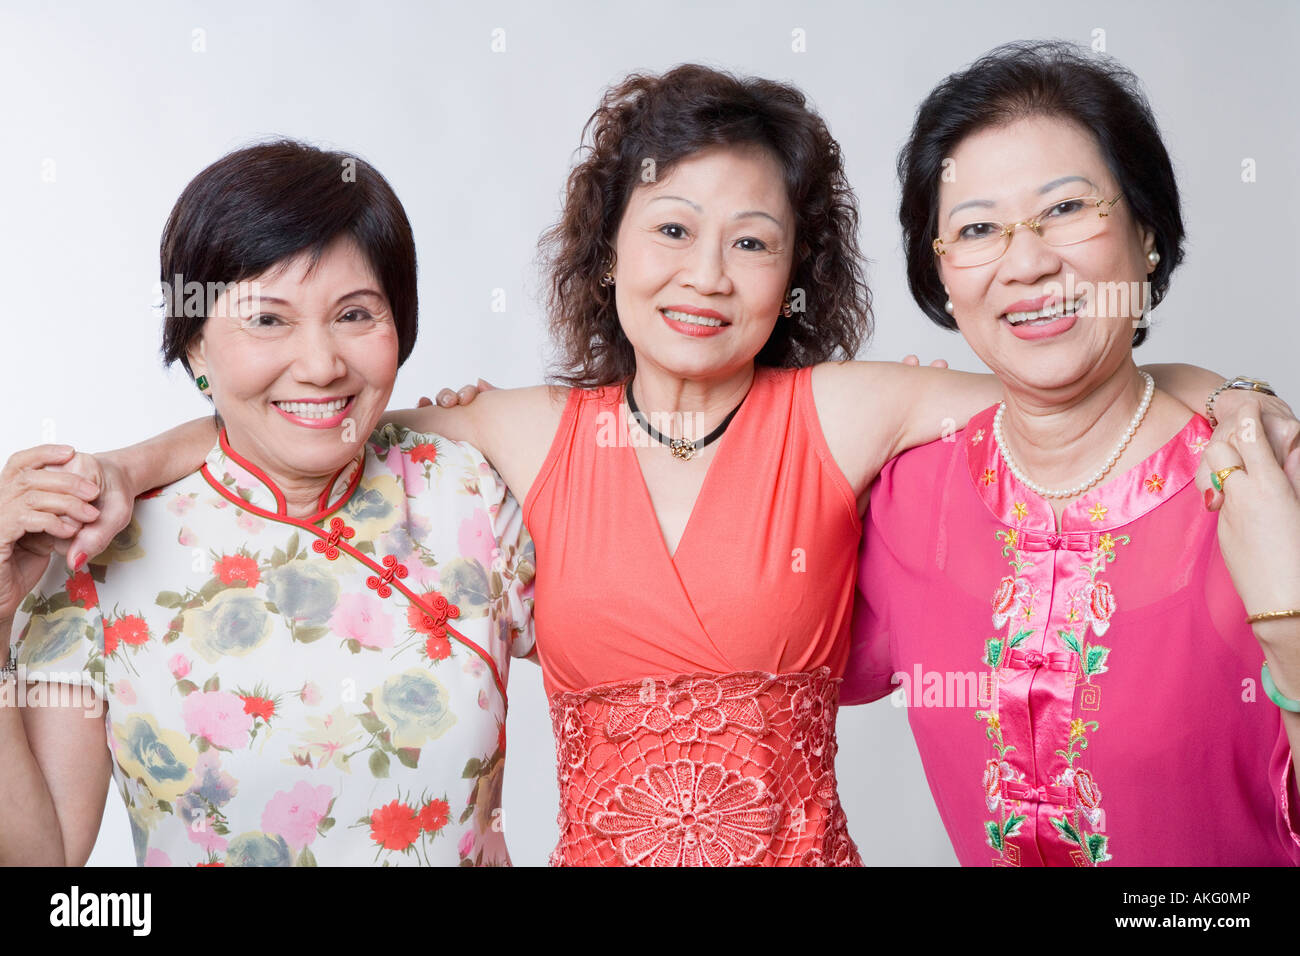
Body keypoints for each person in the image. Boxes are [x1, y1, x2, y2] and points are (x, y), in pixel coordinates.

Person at [46, 65, 1286, 866]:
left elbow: (1065, 375)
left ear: (797, 270)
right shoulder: (526, 433)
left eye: (752, 241)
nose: (706, 275)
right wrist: (125, 458)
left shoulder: (846, 412)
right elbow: (310, 418)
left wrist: (1237, 397)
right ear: (609, 252)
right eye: (672, 232)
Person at [0, 140, 535, 867]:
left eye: (355, 314)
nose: (320, 366)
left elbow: (649, 666)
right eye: (267, 319)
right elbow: (40, 861)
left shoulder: (470, 495)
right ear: (193, 346)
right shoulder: (99, 550)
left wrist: (496, 422)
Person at [840, 41, 1300, 865]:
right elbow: (751, 671)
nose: (1027, 262)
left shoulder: (1265, 479)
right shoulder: (907, 497)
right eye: (977, 229)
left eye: (1066, 209)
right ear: (943, 278)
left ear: (1146, 235)